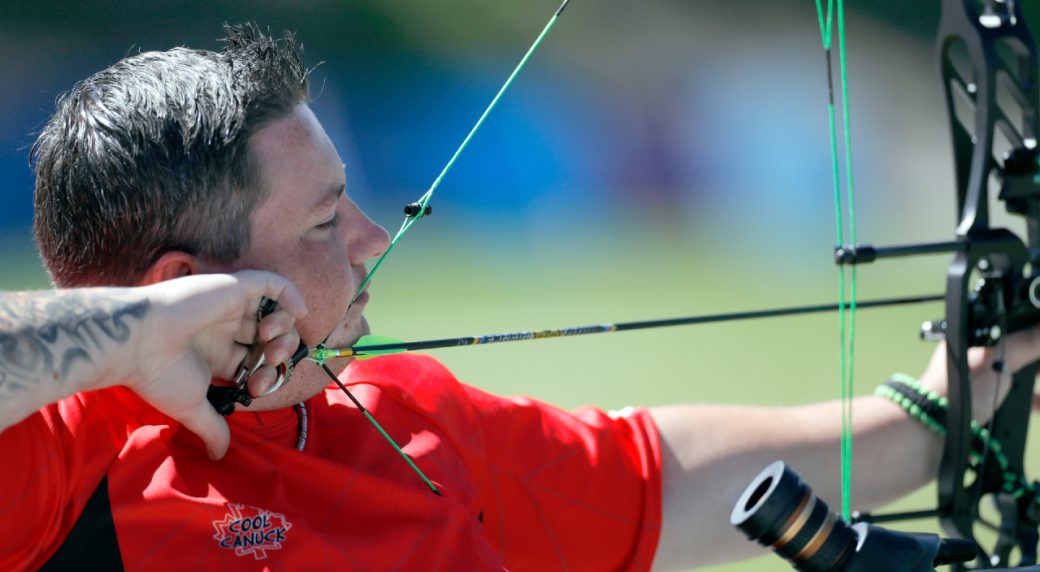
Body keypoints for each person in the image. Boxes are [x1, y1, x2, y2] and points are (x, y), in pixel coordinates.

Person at [2, 23, 1036, 570]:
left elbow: (664, 482)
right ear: (190, 291)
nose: (371, 240)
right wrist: (142, 335)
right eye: (323, 224)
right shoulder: (58, 456)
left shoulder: (407, 422)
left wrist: (951, 398)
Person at [0, 271, 307, 451]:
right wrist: (143, 332)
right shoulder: (63, 442)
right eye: (323, 223)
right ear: (183, 275)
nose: (357, 240)